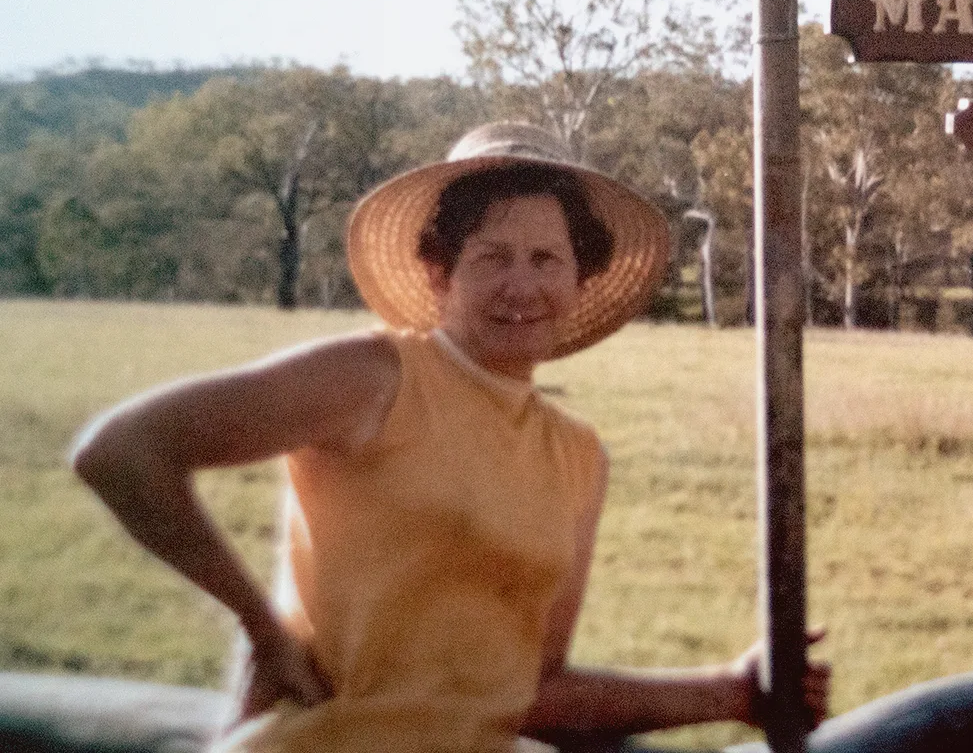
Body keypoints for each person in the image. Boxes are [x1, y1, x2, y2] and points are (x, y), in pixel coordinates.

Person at [70, 122, 829, 753]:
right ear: (438, 271)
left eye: (546, 260)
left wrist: (732, 692)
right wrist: (258, 624)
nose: (521, 287)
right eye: (491, 258)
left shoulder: (575, 454)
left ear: (579, 280)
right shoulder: (374, 378)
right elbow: (123, 449)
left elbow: (526, 691)